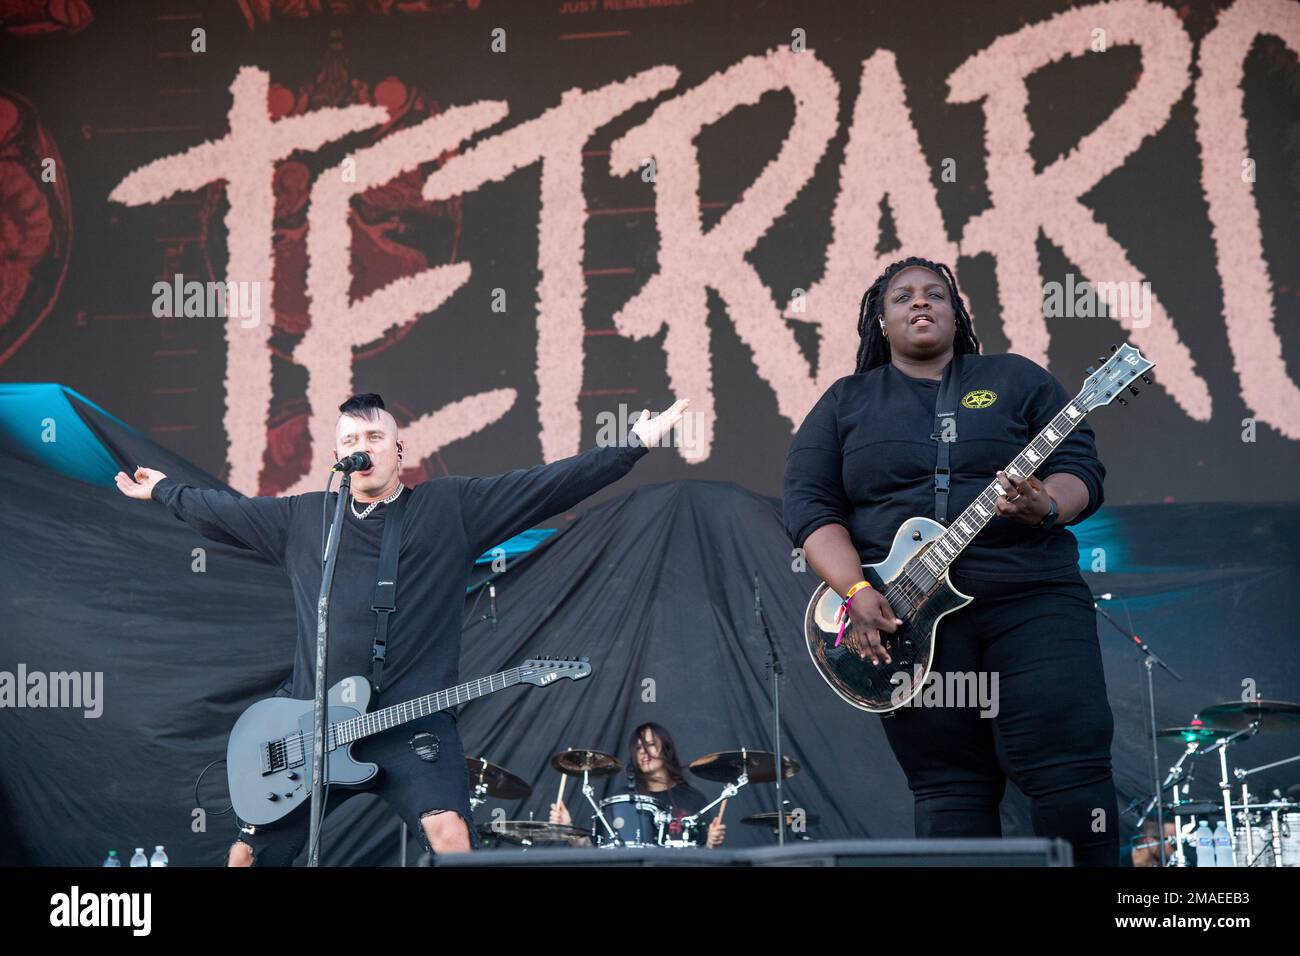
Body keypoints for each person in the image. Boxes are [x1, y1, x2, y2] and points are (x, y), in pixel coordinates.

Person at [116, 392, 689, 865]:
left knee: (451, 839)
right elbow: (224, 512)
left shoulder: (449, 508)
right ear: (337, 455)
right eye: (349, 441)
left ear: (398, 449)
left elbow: (549, 484)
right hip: (313, 729)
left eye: (372, 439)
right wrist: (165, 490)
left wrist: (631, 446)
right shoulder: (305, 520)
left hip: (411, 724)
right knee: (246, 857)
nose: (360, 449)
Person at [782, 256, 1119, 866]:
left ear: (956, 312)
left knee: (1070, 771)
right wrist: (855, 592)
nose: (920, 303)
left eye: (935, 294)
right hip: (907, 621)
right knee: (949, 790)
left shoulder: (1016, 378)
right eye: (902, 296)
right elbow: (808, 505)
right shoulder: (846, 401)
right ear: (880, 322)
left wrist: (1045, 505)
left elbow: (1081, 470)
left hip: (1031, 598)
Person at [549, 722, 725, 848]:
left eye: (650, 745)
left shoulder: (693, 800)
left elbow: (704, 857)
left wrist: (712, 844)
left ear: (666, 750)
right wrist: (568, 829)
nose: (643, 753)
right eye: (638, 748)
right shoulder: (622, 800)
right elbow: (595, 851)